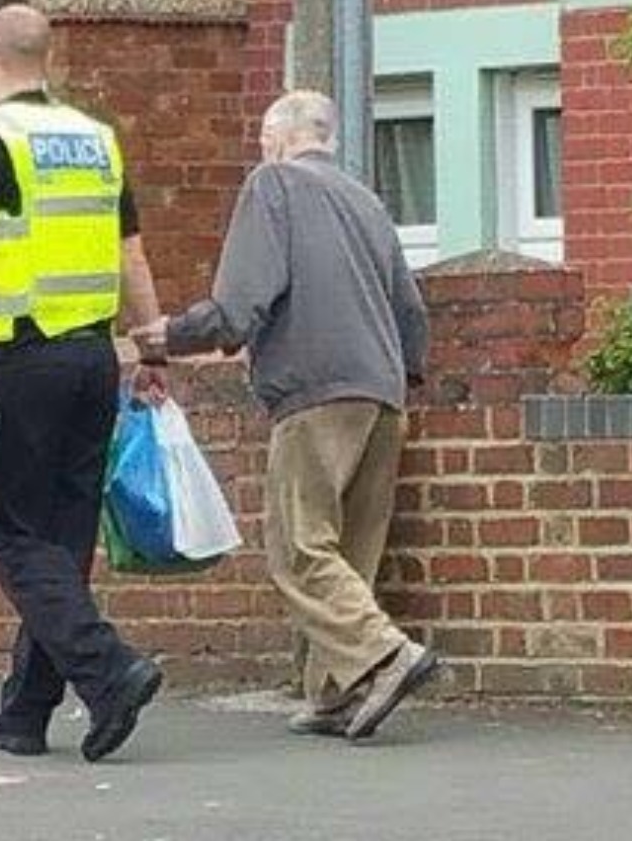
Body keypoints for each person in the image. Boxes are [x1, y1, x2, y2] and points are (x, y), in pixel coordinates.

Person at [0, 4, 167, 763]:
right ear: (48, 60)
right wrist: (152, 350)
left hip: (22, 363)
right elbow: (131, 255)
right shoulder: (96, 140)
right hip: (93, 360)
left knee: (8, 532)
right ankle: (24, 713)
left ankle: (109, 670)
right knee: (64, 539)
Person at [133, 91, 437, 741]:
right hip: (383, 392)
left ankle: (387, 654)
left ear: (278, 139)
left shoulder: (272, 185)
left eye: (263, 143)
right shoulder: (366, 199)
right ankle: (335, 690)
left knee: (299, 546)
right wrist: (402, 372)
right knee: (350, 551)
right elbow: (411, 309)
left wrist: (168, 336)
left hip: (315, 388)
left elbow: (240, 305)